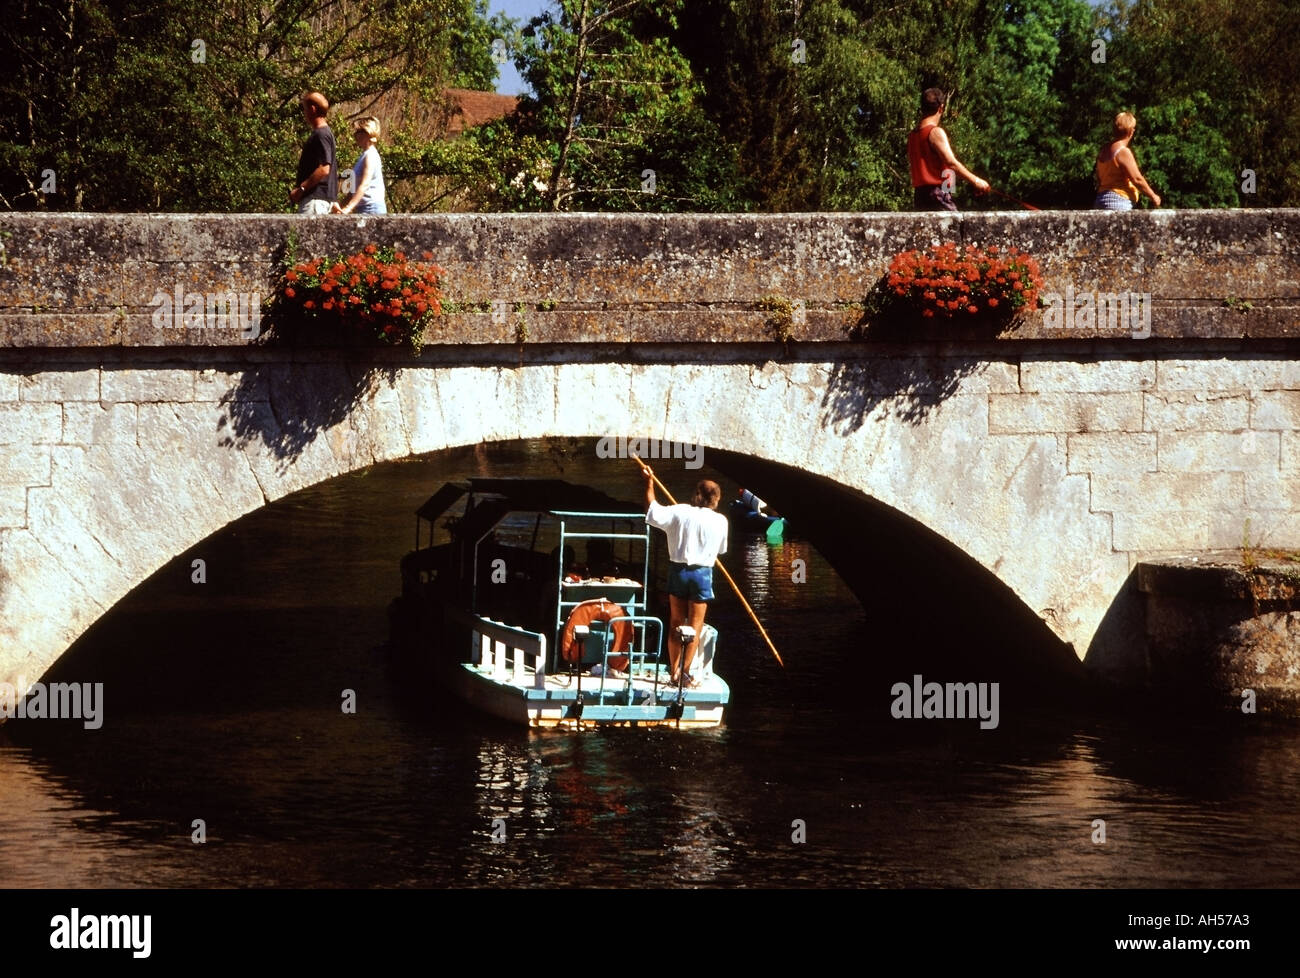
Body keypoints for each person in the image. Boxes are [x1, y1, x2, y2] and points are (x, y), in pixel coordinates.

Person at [641, 465, 728, 687]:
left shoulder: (679, 512)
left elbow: (652, 509)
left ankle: (673, 672)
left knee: (675, 624)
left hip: (677, 572)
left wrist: (649, 482)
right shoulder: (721, 521)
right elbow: (720, 550)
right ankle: (686, 673)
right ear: (716, 499)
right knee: (695, 627)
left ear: (696, 495)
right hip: (702, 574)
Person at [908, 87, 989, 211]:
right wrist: (976, 181)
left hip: (920, 195)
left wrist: (949, 191)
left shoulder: (913, 135)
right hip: (938, 193)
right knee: (956, 228)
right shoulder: (935, 132)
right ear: (941, 108)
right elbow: (951, 163)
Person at [1095, 112, 1161, 211]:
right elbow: (1137, 179)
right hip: (1118, 201)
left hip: (1101, 199)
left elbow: (1099, 177)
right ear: (1131, 131)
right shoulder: (1123, 152)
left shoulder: (1103, 150)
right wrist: (1153, 196)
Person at [289, 92, 336, 215]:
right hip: (319, 199)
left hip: (315, 201)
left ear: (312, 109)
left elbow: (324, 168)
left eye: (305, 109)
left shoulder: (321, 135)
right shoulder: (326, 134)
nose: (304, 113)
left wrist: (301, 189)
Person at [332, 116, 387, 215]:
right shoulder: (364, 155)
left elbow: (364, 184)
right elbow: (354, 189)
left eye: (358, 132)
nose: (355, 135)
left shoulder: (370, 155)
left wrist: (348, 208)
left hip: (371, 208)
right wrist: (341, 207)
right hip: (363, 208)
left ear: (367, 132)